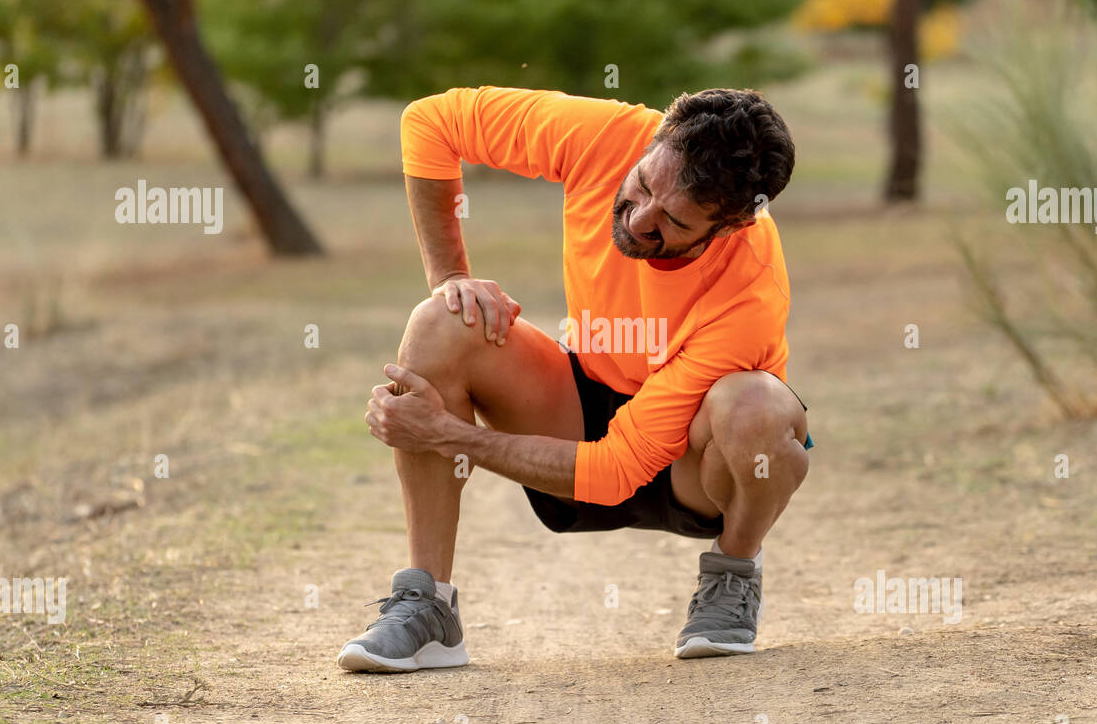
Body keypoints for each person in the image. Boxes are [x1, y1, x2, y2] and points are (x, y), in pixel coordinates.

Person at [339, 86, 811, 672]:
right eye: (643, 185)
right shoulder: (603, 135)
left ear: (732, 224)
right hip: (579, 405)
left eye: (674, 220)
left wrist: (445, 433)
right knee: (441, 320)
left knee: (757, 406)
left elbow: (614, 475)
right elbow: (430, 122)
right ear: (654, 139)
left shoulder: (749, 287)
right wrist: (450, 276)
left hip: (694, 464)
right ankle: (427, 603)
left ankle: (733, 571)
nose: (639, 219)